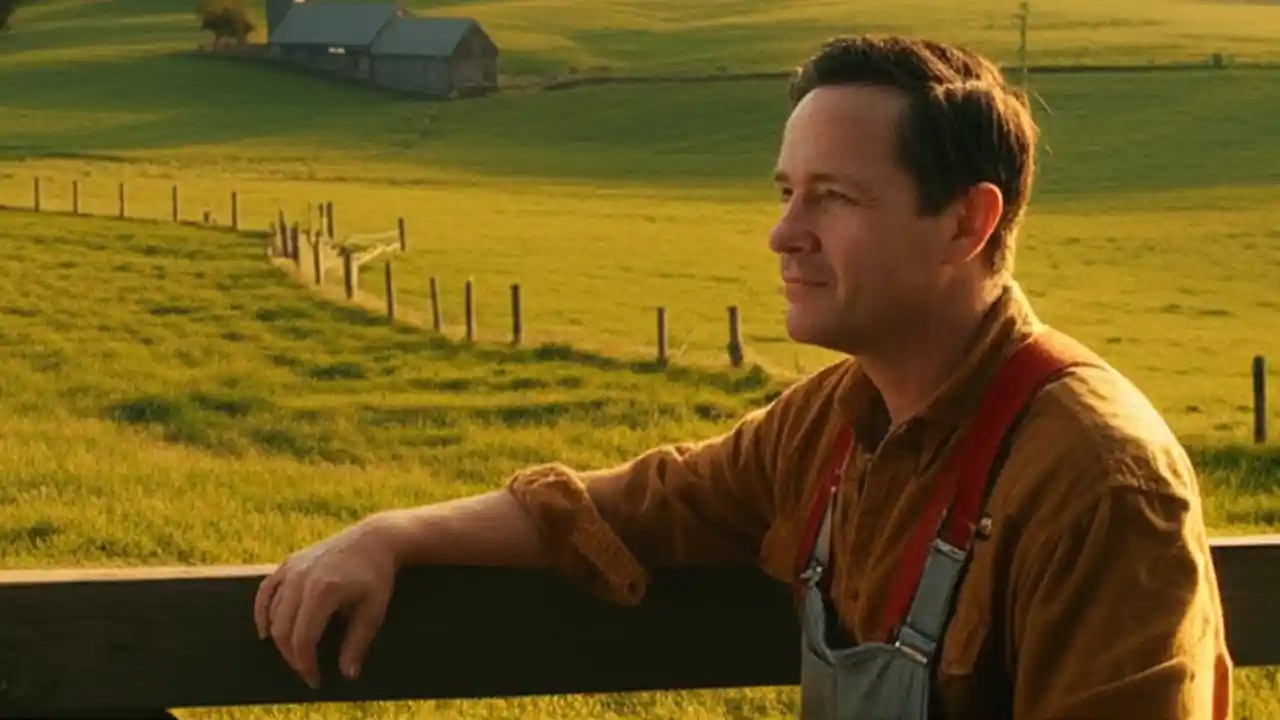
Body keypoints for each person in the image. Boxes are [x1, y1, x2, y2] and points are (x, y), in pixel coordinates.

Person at [253, 34, 1233, 719]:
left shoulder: (1096, 485)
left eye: (833, 197)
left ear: (966, 224)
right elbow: (636, 506)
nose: (781, 234)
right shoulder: (835, 424)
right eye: (783, 192)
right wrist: (391, 535)